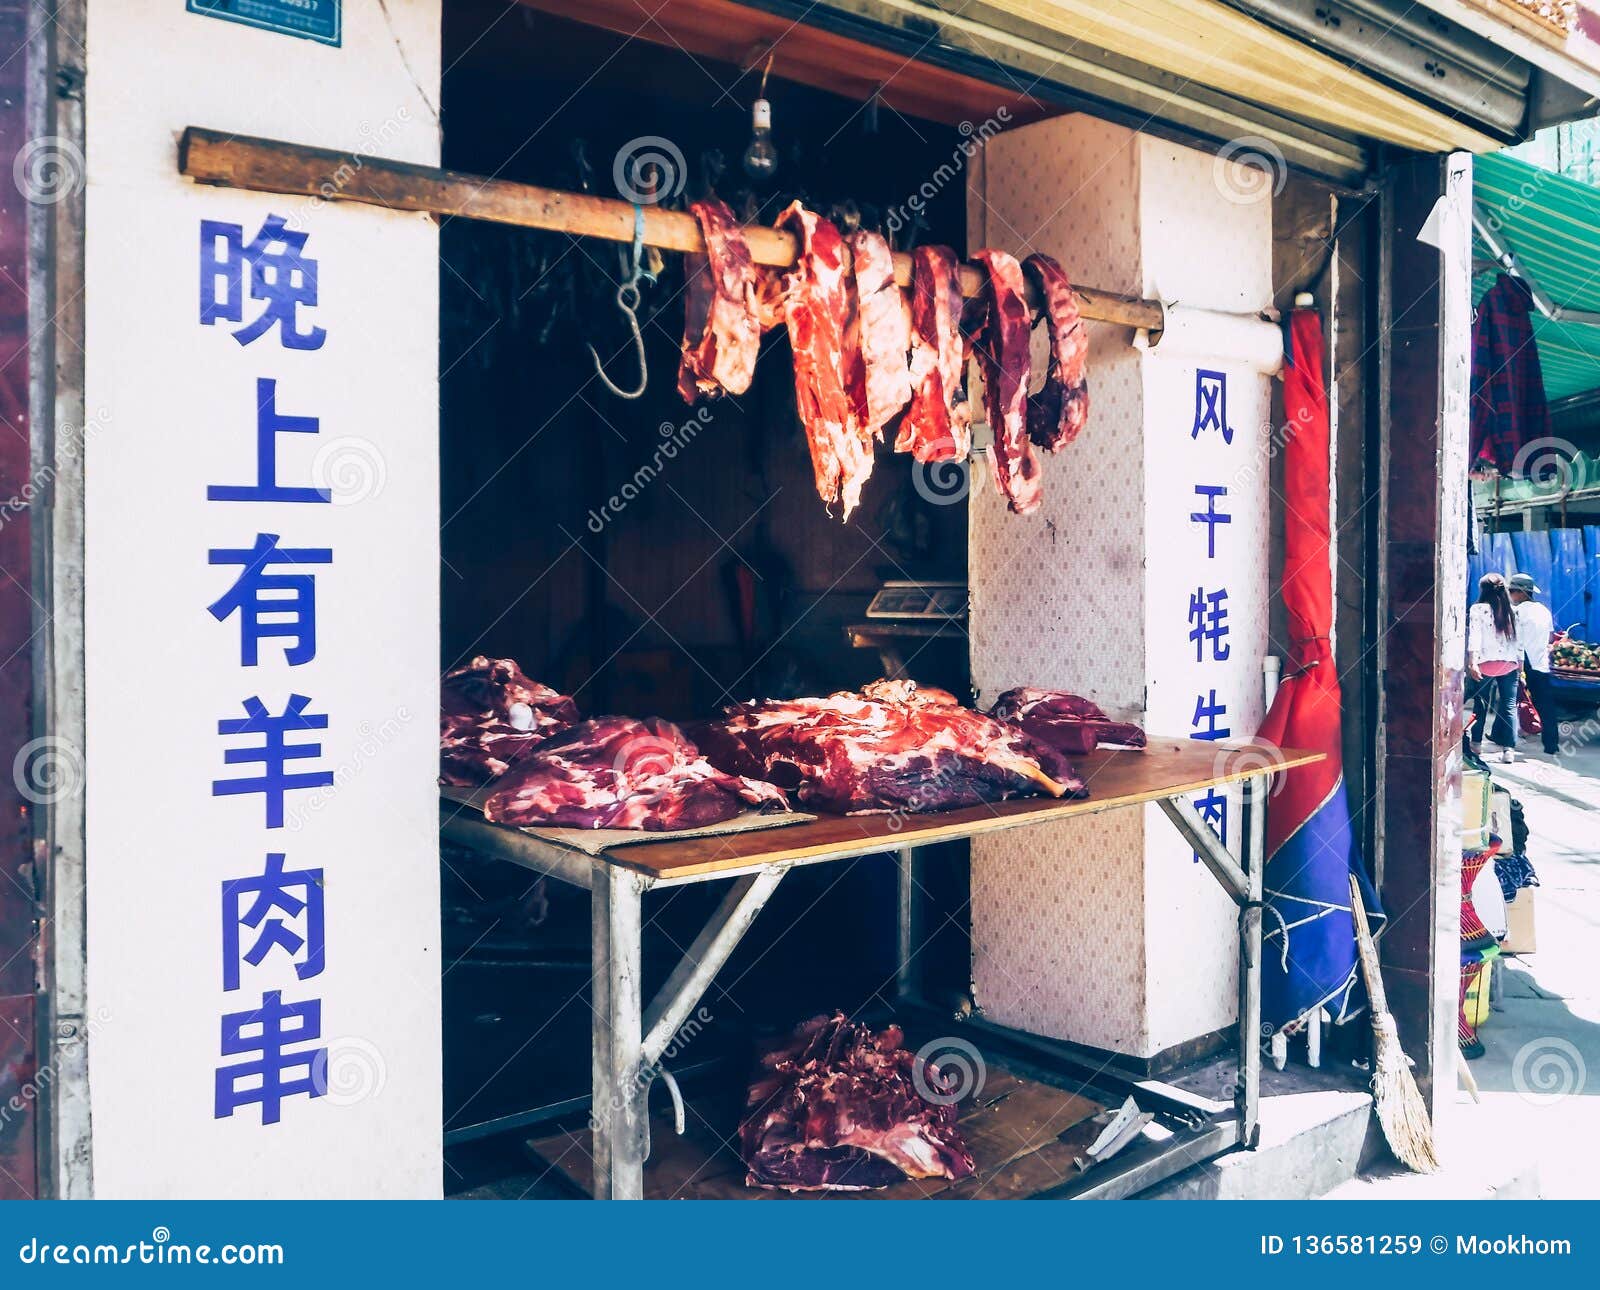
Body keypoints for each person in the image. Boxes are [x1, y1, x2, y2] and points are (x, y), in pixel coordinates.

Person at [1467, 573, 1521, 763]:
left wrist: (1472, 661)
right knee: (1508, 706)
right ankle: (1508, 750)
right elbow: (1517, 641)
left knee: (1480, 704)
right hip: (1509, 664)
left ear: (1483, 590)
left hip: (1485, 664)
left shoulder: (1477, 609)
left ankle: (1476, 744)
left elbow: (1474, 637)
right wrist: (1519, 664)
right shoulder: (1513, 610)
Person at [1509, 571, 1560, 756]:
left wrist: (1520, 663)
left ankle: (1507, 740)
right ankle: (1551, 744)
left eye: (1512, 591)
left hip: (1523, 662)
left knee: (1510, 702)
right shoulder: (1544, 610)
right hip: (1541, 662)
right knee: (1545, 704)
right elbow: (1550, 637)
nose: (1511, 595)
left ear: (1522, 593)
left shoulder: (1518, 612)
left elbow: (1516, 639)